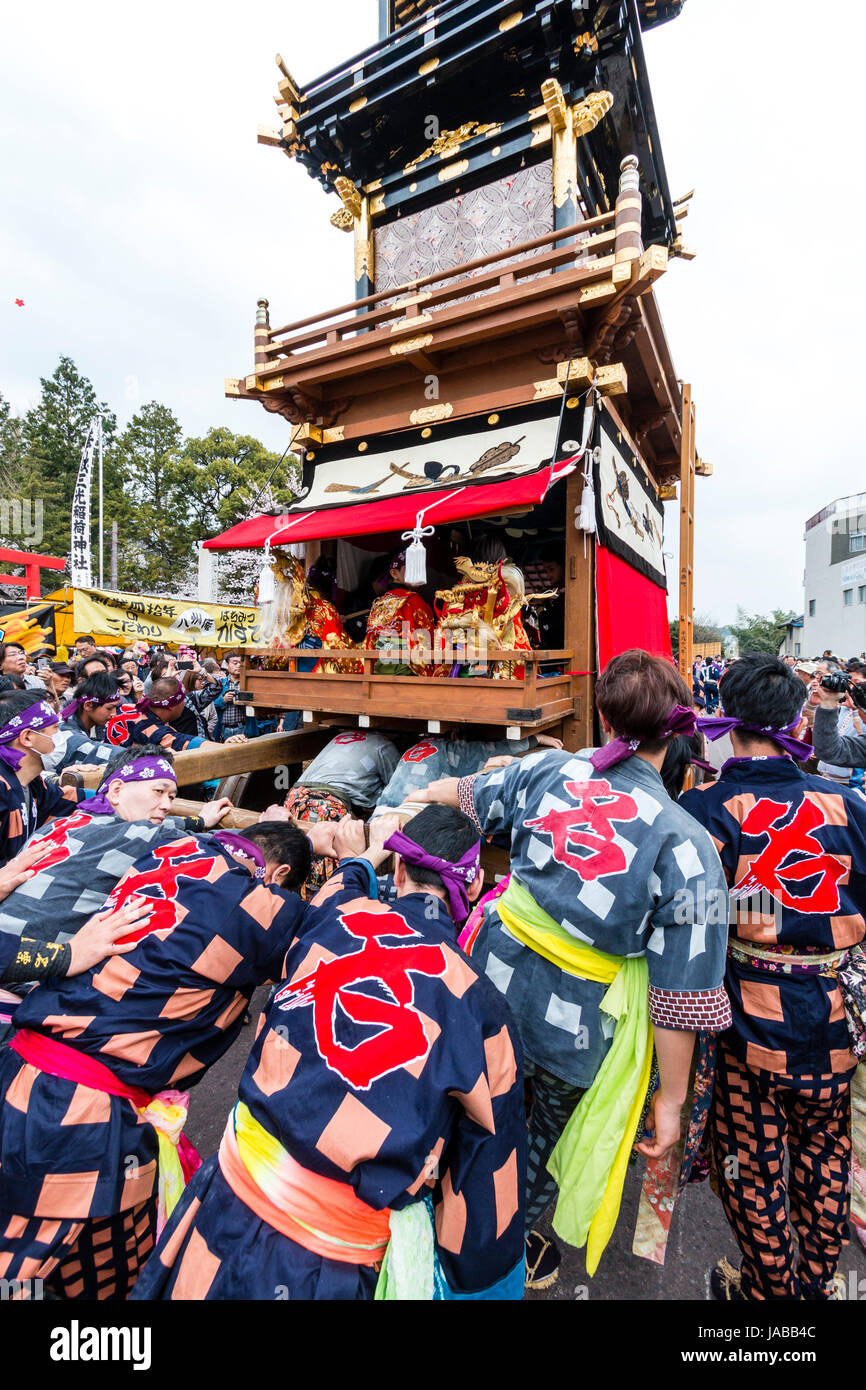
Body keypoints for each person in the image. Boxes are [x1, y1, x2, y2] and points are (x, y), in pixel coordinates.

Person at [413, 648, 731, 1288]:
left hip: (487, 985)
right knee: (537, 1144)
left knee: (460, 1105)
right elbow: (682, 993)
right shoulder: (687, 844)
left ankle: (425, 1234)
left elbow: (465, 796)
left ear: (606, 718)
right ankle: (498, 1257)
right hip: (579, 1024)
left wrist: (415, 797)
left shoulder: (548, 771)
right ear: (677, 726)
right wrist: (669, 1101)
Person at [132, 806, 527, 1302]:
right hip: (327, 1267)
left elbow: (343, 883)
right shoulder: (483, 1008)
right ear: (473, 888)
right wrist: (482, 1280)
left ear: (399, 870)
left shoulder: (331, 917)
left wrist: (366, 856)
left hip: (226, 1200)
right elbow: (488, 1176)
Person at [0, 816, 355, 1299]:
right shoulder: (248, 901)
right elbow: (338, 935)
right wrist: (357, 862)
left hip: (23, 1072)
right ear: (275, 877)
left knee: (56, 1255)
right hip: (79, 1114)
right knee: (27, 1271)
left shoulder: (168, 855)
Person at [682, 653, 866, 1300]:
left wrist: (755, 910)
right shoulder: (848, 804)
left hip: (749, 1026)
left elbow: (689, 913)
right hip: (834, 1017)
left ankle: (769, 1294)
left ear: (730, 722)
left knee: (751, 1171)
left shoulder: (706, 808)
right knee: (824, 1160)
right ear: (795, 718)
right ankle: (812, 1287)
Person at [0, 746, 234, 990]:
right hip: (25, 977)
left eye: (172, 797)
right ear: (117, 790)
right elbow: (232, 845)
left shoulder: (63, 823)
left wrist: (198, 820)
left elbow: (143, 828)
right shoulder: (139, 835)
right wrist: (271, 824)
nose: (166, 805)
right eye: (159, 792)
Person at [284, 731, 401, 896]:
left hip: (295, 796)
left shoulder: (341, 736)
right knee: (327, 874)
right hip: (326, 804)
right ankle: (324, 909)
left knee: (294, 860)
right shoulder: (384, 745)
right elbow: (395, 786)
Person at [0, 690, 84, 866]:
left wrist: (116, 794)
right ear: (27, 737)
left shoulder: (32, 782)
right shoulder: (2, 789)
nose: (60, 736)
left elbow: (65, 799)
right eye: (54, 728)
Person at [364, 549, 437, 677]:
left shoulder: (380, 601)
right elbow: (426, 637)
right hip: (405, 670)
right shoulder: (414, 600)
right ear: (394, 573)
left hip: (379, 669)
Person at [55, 670, 125, 772]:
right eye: (109, 708)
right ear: (88, 705)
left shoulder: (75, 720)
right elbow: (95, 751)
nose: (114, 714)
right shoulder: (66, 731)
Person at [214, 653, 246, 741]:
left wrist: (242, 700)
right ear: (227, 665)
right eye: (235, 663)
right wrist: (223, 700)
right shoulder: (221, 684)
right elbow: (211, 705)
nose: (239, 665)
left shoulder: (247, 684)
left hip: (243, 727)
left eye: (241, 663)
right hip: (224, 729)